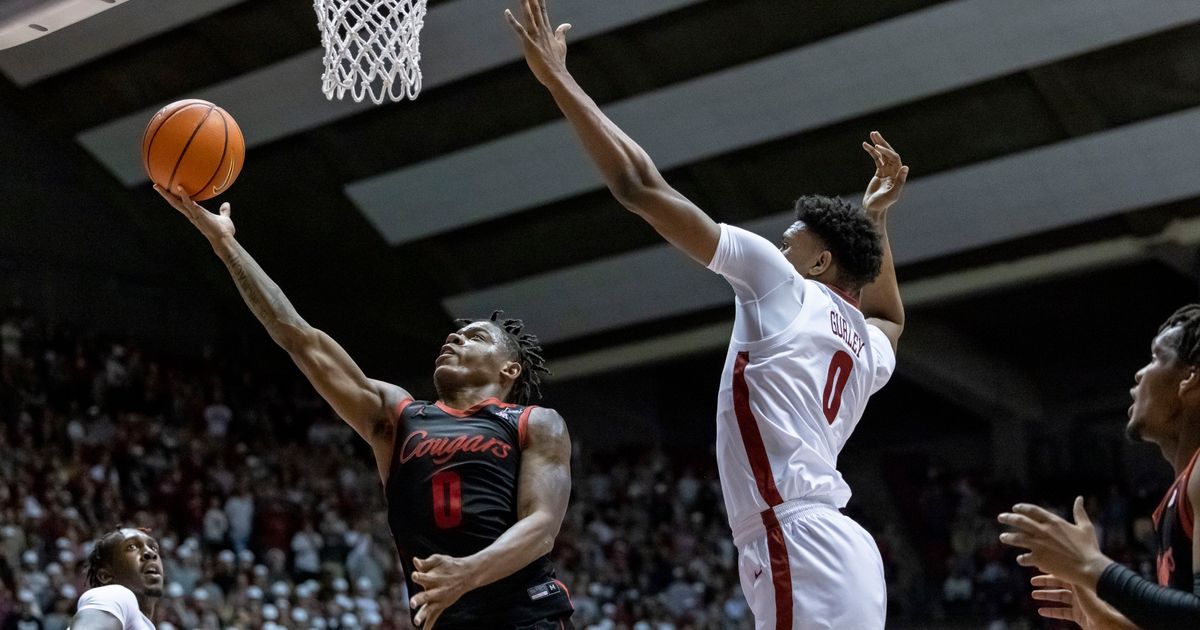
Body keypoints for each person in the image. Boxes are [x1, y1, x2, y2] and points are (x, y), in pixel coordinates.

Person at [506, 2, 906, 627]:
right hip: (835, 543)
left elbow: (640, 187)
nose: (779, 245)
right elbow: (889, 318)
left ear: (821, 260)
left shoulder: (780, 283)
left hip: (796, 537)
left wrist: (559, 80)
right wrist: (875, 221)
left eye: (791, 236)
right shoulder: (863, 344)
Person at [155, 186, 574, 629]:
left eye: (475, 337)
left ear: (509, 369)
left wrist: (467, 573)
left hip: (527, 616)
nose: (454, 338)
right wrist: (226, 246)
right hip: (445, 618)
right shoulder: (399, 416)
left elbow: (542, 526)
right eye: (455, 334)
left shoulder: (533, 423)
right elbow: (299, 336)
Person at [999, 305, 1200, 629]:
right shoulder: (1181, 491)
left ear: (1191, 378)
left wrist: (1091, 566)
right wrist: (1098, 617)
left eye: (1155, 358)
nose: (1139, 374)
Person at [68, 528, 162, 630]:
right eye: (132, 547)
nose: (151, 553)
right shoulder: (115, 594)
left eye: (153, 548)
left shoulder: (140, 622)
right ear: (105, 576)